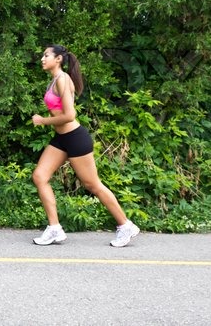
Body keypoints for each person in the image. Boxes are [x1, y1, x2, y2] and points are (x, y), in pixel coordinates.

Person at [30, 45, 140, 247]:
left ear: (59, 59)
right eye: (42, 56)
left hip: (75, 137)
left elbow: (70, 115)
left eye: (46, 55)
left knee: (92, 185)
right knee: (39, 176)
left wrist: (43, 121)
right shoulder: (55, 80)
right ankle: (54, 228)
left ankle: (125, 225)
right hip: (62, 139)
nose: (42, 59)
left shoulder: (62, 79)